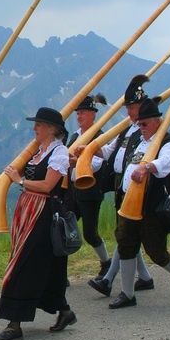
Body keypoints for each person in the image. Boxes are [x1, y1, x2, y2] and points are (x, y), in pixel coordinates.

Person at [0, 107, 75, 340]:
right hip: (29, 210)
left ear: (51, 130)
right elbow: (15, 171)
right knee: (47, 265)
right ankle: (65, 311)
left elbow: (47, 185)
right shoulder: (38, 151)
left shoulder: (59, 153)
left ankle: (14, 323)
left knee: (25, 262)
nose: (34, 128)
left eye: (39, 125)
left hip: (45, 212)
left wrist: (20, 181)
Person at [108, 96, 170, 308]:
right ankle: (127, 294)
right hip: (129, 204)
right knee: (126, 245)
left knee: (155, 251)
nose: (141, 127)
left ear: (157, 122)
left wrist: (147, 167)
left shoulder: (168, 142)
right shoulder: (139, 141)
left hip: (152, 206)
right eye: (139, 123)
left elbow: (165, 163)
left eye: (144, 123)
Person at [78, 75, 154, 297]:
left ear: (143, 107)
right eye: (128, 107)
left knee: (125, 235)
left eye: (133, 107)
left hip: (139, 189)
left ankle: (108, 279)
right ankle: (146, 278)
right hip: (122, 187)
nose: (129, 112)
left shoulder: (147, 130)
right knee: (127, 235)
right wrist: (90, 150)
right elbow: (109, 150)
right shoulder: (127, 128)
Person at [63, 93, 111, 279]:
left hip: (90, 190)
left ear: (93, 114)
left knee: (90, 233)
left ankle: (106, 263)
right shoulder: (75, 135)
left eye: (83, 113)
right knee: (65, 231)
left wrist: (77, 161)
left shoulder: (100, 136)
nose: (79, 116)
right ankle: (62, 273)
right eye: (78, 113)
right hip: (72, 190)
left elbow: (96, 165)